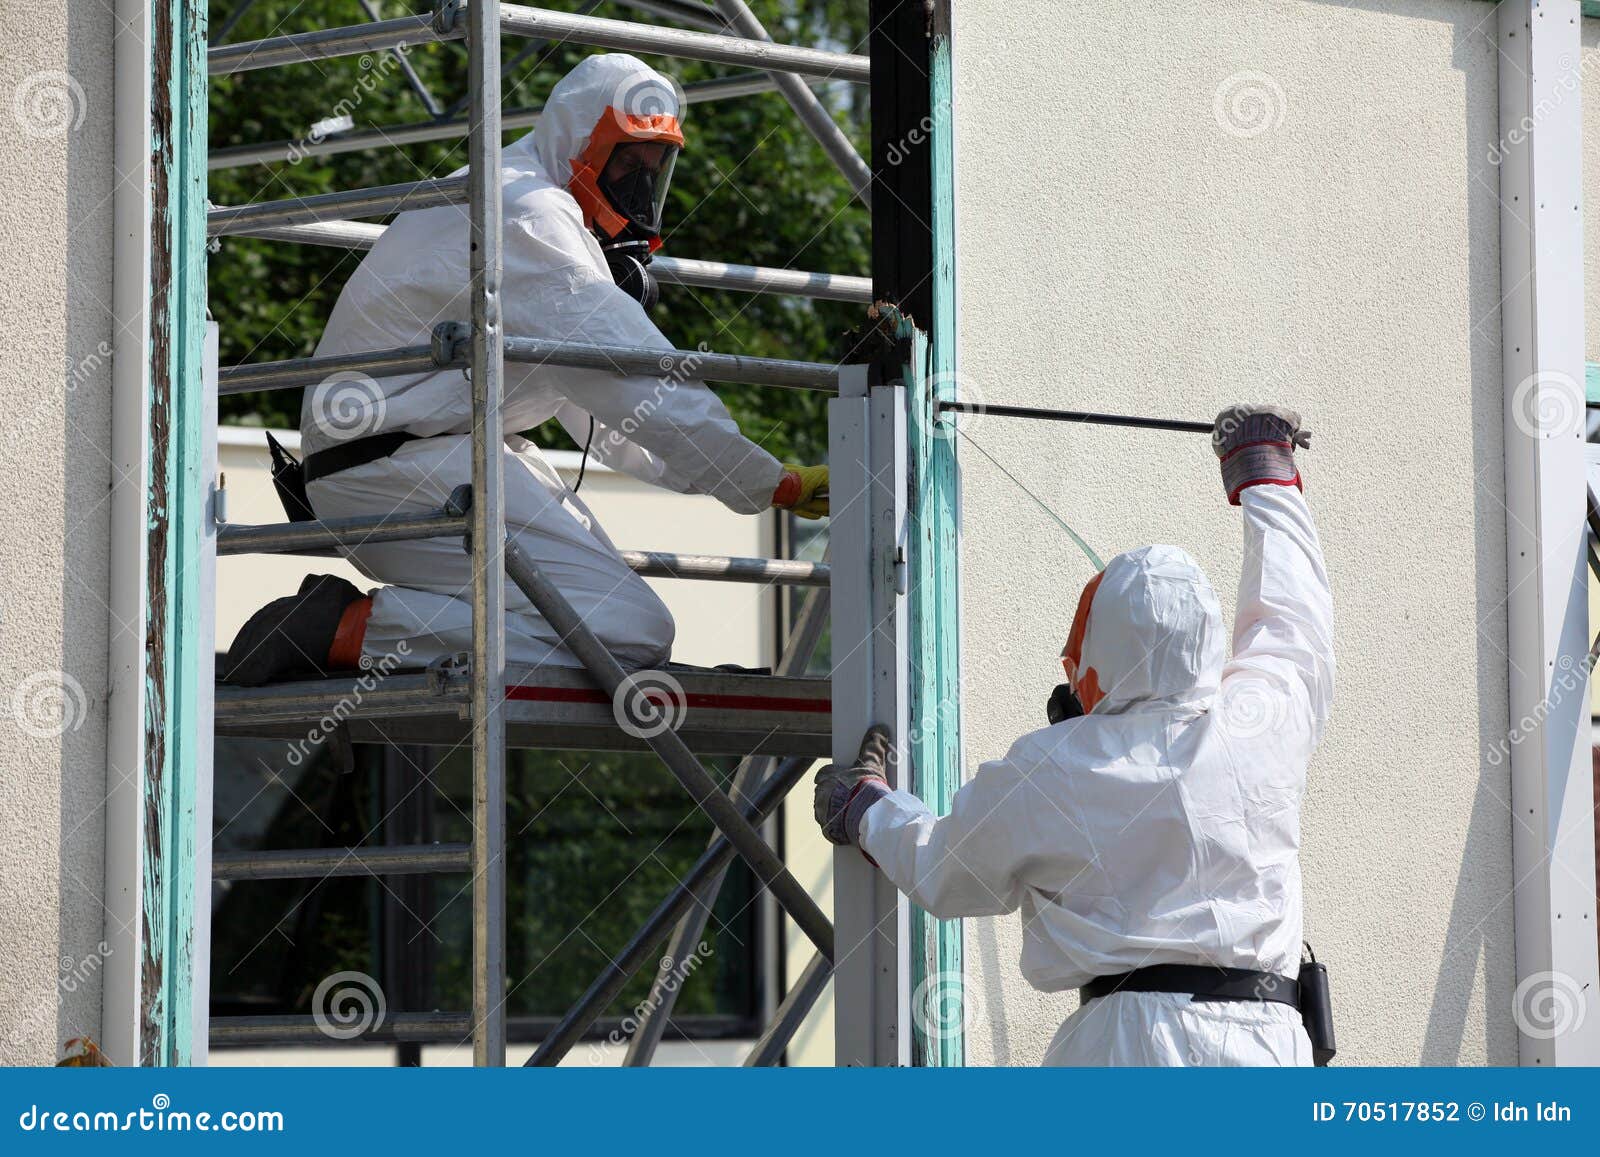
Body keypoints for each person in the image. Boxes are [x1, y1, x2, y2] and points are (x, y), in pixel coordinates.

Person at [224, 54, 828, 685]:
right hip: (388, 468)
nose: (639, 190)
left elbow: (611, 414)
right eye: (627, 163)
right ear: (579, 146)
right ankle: (345, 629)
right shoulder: (529, 212)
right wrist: (762, 481)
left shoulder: (530, 208)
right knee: (627, 632)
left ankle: (370, 628)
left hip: (420, 458)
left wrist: (753, 479)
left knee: (616, 628)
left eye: (654, 169)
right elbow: (628, 372)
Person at [816, 404, 1333, 1066]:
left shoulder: (1055, 767)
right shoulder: (1265, 721)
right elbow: (1292, 615)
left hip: (1129, 1048)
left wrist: (864, 806)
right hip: (1271, 1048)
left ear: (1098, 663)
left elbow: (945, 867)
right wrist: (1265, 473)